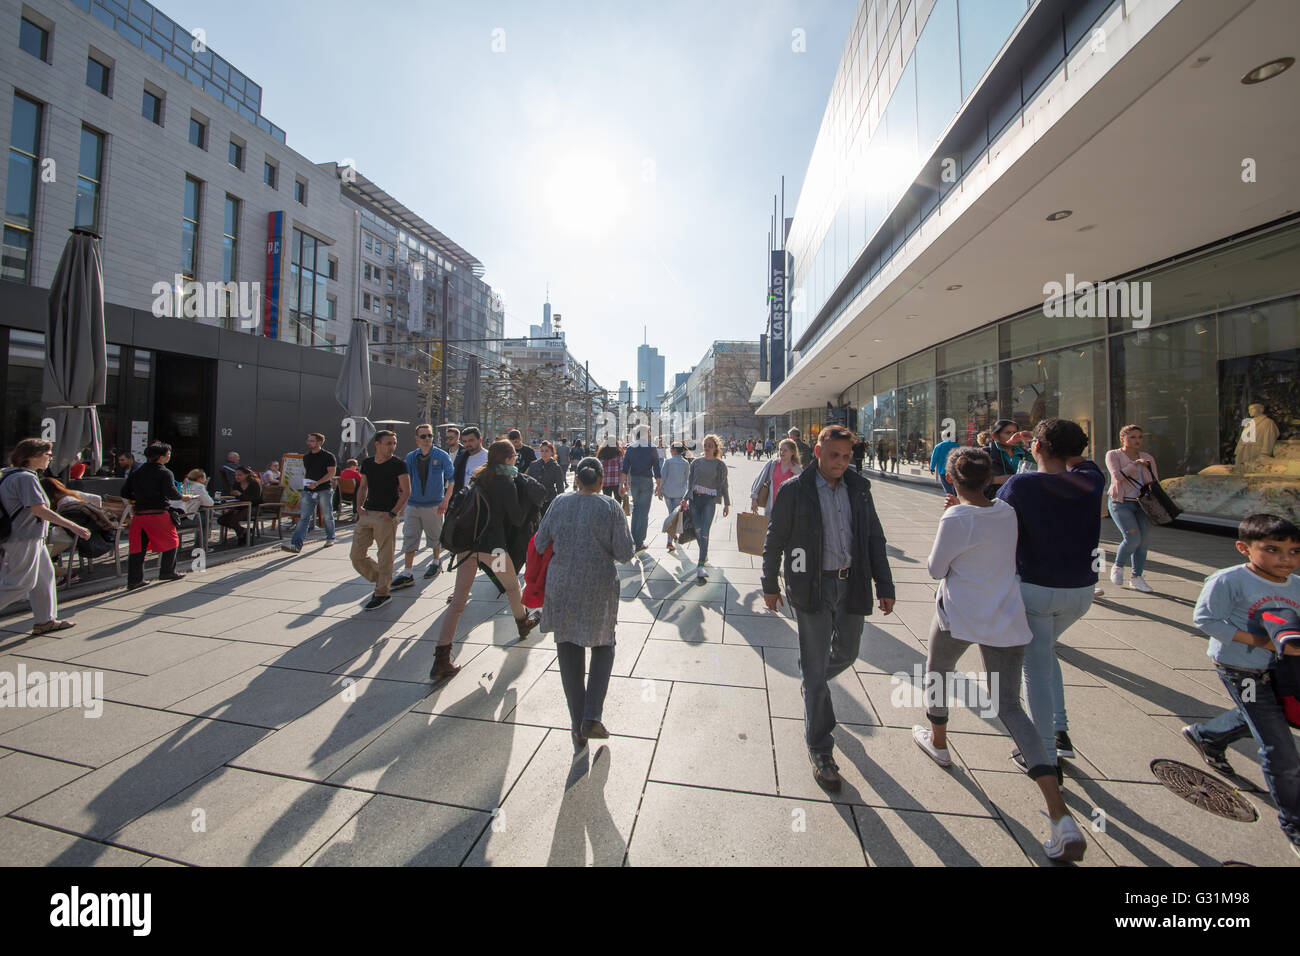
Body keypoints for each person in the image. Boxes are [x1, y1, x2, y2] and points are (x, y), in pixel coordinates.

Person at [912, 446, 1086, 859]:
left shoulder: (955, 516)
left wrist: (948, 517)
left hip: (959, 615)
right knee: (1010, 706)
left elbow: (936, 568)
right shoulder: (1006, 511)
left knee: (938, 672)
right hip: (1006, 617)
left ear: (953, 479)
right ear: (990, 478)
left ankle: (938, 743)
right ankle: (1060, 815)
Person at [762, 424, 895, 792]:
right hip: (811, 586)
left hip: (851, 583)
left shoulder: (859, 489)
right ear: (818, 453)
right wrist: (769, 585)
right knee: (818, 671)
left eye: (847, 456)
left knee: (849, 651)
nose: (841, 462)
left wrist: (884, 583)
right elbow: (775, 540)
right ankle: (821, 748)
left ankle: (812, 678)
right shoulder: (795, 490)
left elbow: (874, 538)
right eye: (834, 455)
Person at [1181, 514, 1300, 858]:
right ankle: (1294, 823)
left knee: (1258, 718)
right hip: (1240, 671)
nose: (1286, 559)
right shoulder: (1229, 580)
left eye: (1294, 551)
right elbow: (1205, 619)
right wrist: (1260, 641)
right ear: (1244, 548)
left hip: (1281, 671)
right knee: (1280, 749)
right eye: (1274, 550)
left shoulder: (1295, 585)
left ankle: (1206, 736)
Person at [996, 418, 1105, 776]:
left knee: (1036, 668)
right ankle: (1060, 730)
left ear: (1037, 448)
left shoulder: (1022, 485)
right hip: (1081, 591)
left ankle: (1042, 753)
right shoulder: (1090, 480)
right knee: (1046, 652)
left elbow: (994, 520)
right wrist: (1046, 442)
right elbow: (1082, 460)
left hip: (1036, 588)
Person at [533, 455, 635, 751]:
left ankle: (578, 722)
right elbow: (625, 552)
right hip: (598, 586)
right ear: (602, 481)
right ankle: (591, 715)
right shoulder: (610, 506)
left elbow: (540, 541)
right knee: (604, 645)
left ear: (576, 478)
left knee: (568, 646)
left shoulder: (560, 502)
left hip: (562, 583)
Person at [430, 439, 541, 681]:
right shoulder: (506, 482)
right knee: (512, 586)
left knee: (458, 601)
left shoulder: (480, 477)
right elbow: (518, 518)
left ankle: (441, 657)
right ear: (510, 459)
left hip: (468, 548)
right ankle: (522, 623)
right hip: (494, 550)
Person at [0, 439, 91, 633]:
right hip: (24, 537)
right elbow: (38, 509)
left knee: (45, 577)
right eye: (47, 454)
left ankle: (45, 620)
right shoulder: (26, 478)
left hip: (24, 536)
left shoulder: (8, 474)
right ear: (32, 456)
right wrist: (72, 525)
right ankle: (45, 620)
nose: (50, 458)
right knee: (20, 584)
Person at [121, 442, 194, 589]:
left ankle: (135, 580)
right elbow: (170, 492)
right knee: (171, 542)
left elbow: (125, 492)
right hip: (159, 514)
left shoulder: (137, 472)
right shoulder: (165, 472)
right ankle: (167, 571)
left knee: (137, 548)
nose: (169, 456)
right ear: (161, 457)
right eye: (168, 454)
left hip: (140, 515)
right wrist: (183, 497)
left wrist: (139, 497)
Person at [352, 430, 410, 611]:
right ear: (377, 444)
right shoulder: (368, 463)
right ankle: (383, 579)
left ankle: (382, 593)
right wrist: (358, 508)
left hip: (386, 515)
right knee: (356, 556)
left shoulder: (398, 464)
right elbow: (363, 487)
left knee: (385, 557)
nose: (392, 447)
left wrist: (393, 513)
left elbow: (407, 492)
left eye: (394, 443)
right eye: (388, 443)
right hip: (367, 513)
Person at [393, 423, 455, 586]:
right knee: (410, 536)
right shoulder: (411, 457)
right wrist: (405, 503)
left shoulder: (441, 455)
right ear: (417, 438)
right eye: (423, 436)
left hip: (434, 504)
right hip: (414, 503)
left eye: (430, 435)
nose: (427, 439)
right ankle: (407, 571)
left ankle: (436, 562)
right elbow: (407, 480)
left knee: (434, 537)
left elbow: (452, 478)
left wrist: (445, 500)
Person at [1105, 424, 1158, 593]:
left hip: (1143, 503)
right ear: (1123, 438)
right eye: (1133, 437)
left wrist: (1145, 467)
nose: (1137, 440)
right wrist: (1134, 465)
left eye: (1140, 437)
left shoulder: (1147, 457)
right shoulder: (1113, 455)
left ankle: (1137, 577)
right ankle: (1118, 566)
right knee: (1132, 537)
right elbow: (1117, 477)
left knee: (1143, 542)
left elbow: (1154, 482)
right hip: (1120, 502)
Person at [683, 434, 730, 583]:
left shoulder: (720, 465)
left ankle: (701, 564)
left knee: (704, 531)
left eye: (710, 445)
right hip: (695, 500)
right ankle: (705, 553)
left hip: (709, 500)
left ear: (716, 447)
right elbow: (690, 483)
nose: (707, 447)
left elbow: (723, 485)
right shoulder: (696, 462)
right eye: (705, 445)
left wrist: (727, 503)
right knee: (697, 530)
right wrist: (685, 499)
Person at [282, 432, 337, 554]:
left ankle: (330, 537)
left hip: (324, 489)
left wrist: (317, 483)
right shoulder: (306, 457)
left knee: (327, 515)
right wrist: (307, 483)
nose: (309, 443)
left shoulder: (329, 456)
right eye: (308, 440)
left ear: (319, 442)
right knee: (304, 517)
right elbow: (309, 472)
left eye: (312, 441)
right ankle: (296, 544)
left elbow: (331, 473)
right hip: (308, 490)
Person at [620, 426, 662, 552]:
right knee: (643, 512)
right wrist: (659, 485)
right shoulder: (652, 448)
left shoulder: (630, 448)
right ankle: (639, 542)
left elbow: (624, 468)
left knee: (637, 510)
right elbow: (657, 469)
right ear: (645, 434)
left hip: (634, 480)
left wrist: (621, 484)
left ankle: (633, 538)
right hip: (646, 480)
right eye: (648, 432)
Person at [750, 438, 801, 513]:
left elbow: (806, 490)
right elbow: (759, 481)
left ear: (792, 452)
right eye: (780, 449)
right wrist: (754, 499)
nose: (782, 452)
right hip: (771, 509)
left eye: (785, 450)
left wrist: (799, 475)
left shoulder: (798, 469)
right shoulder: (772, 464)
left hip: (789, 511)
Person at [216, 465, 261, 547]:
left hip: (254, 507)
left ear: (246, 475)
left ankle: (241, 536)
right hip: (240, 506)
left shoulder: (254, 484)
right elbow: (237, 499)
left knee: (233, 520)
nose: (237, 477)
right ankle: (243, 531)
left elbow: (255, 499)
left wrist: (241, 494)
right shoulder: (236, 484)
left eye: (240, 475)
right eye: (236, 475)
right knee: (221, 520)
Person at [659, 442, 690, 553]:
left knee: (671, 513)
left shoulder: (668, 462)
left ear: (673, 450)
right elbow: (687, 479)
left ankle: (670, 538)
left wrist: (658, 490)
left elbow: (663, 477)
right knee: (675, 515)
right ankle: (671, 537)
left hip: (667, 491)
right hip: (679, 493)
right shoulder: (685, 463)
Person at [526, 440, 566, 513]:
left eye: (547, 451)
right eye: (542, 451)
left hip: (549, 499)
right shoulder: (533, 465)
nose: (544, 453)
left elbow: (560, 486)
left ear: (551, 452)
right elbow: (528, 482)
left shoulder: (556, 467)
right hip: (535, 500)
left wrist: (561, 502)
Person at [451, 426, 487, 495]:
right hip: (462, 500)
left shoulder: (488, 457)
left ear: (480, 440)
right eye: (465, 441)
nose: (467, 444)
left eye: (471, 440)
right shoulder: (461, 457)